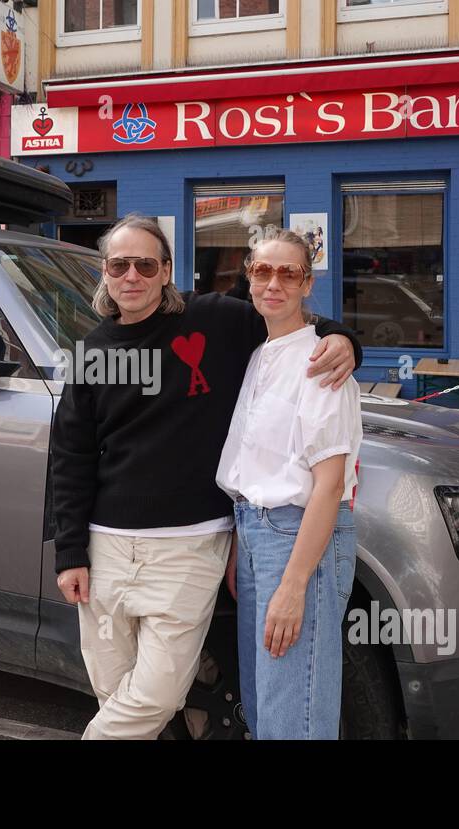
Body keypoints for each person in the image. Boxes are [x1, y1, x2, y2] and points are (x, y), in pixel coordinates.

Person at [51, 214, 363, 740]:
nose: (132, 276)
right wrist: (69, 552)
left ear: (166, 271)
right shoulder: (92, 353)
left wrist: (344, 338)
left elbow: (288, 317)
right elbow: (70, 455)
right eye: (119, 265)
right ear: (104, 273)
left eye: (145, 264)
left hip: (189, 546)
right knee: (117, 688)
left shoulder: (213, 320)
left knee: (163, 694)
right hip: (108, 548)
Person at [216, 229, 364, 740]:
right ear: (249, 280)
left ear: (307, 283)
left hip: (299, 542)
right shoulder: (260, 354)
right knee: (265, 705)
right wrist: (243, 545)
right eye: (262, 271)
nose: (273, 283)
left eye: (289, 273)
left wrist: (295, 584)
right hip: (258, 538)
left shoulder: (322, 360)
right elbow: (255, 470)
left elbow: (328, 486)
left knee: (294, 715)